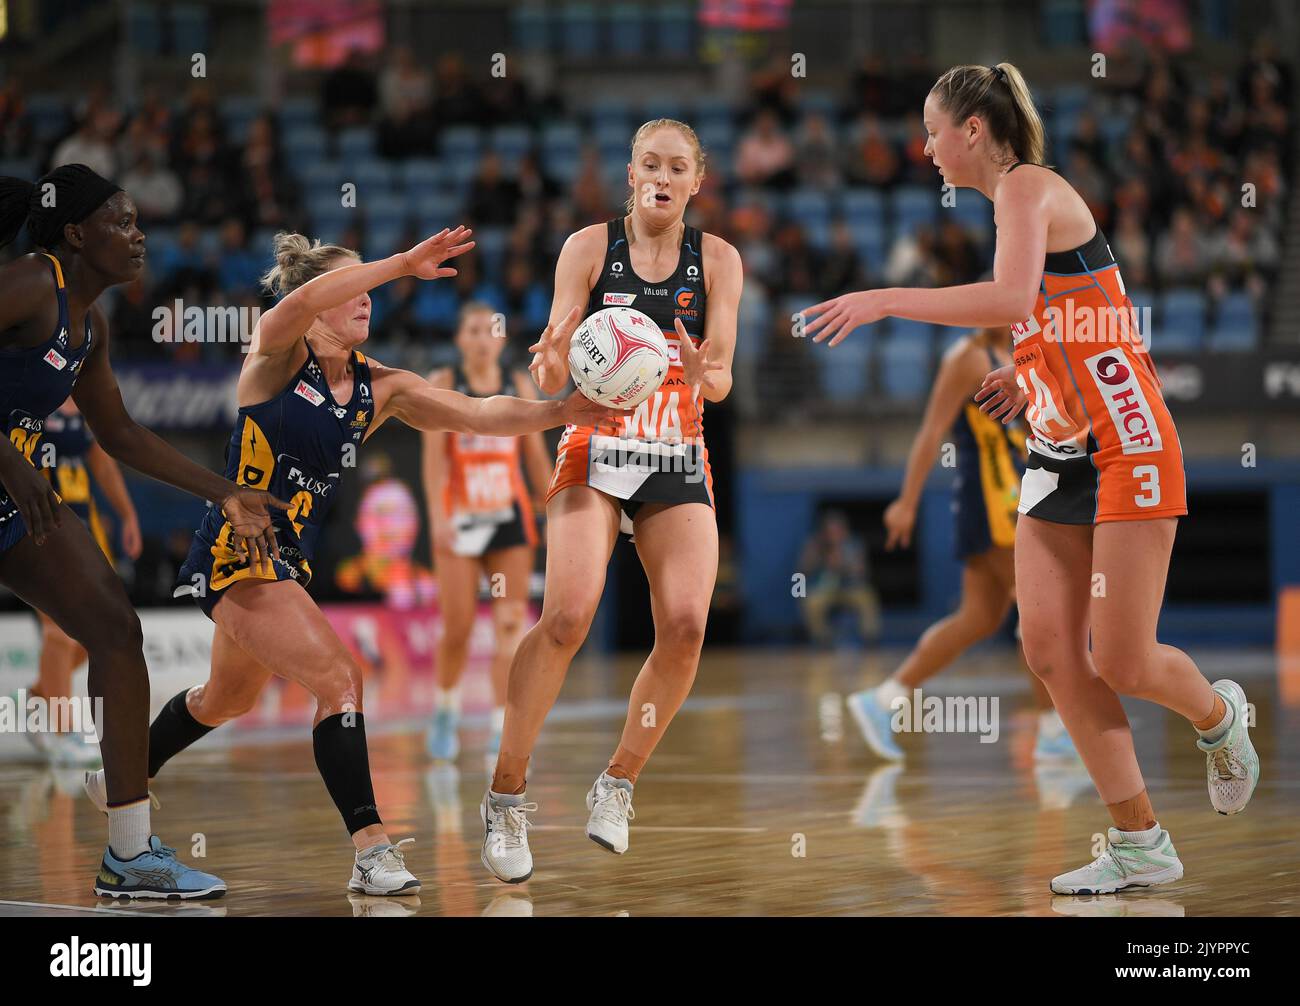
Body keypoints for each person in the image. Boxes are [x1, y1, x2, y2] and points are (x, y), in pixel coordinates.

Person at [803, 63, 1257, 895]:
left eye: (934, 130)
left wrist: (883, 299)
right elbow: (1056, 312)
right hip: (1059, 451)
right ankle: (1140, 841)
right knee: (1047, 649)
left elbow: (1013, 297)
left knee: (1121, 658)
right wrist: (1030, 374)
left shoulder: (1026, 186)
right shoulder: (1010, 207)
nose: (927, 147)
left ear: (972, 130)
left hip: (1129, 442)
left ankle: (1219, 717)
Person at [84, 227, 622, 896]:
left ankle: (119, 773)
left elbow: (478, 414)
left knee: (226, 697)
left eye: (372, 289)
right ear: (322, 299)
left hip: (287, 560)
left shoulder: (379, 388)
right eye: (355, 286)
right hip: (237, 554)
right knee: (341, 678)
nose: (368, 298)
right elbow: (300, 301)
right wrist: (396, 265)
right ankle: (370, 849)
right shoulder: (276, 353)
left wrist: (559, 411)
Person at [0, 164, 284, 899]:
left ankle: (129, 856)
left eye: (137, 223)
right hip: (13, 481)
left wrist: (226, 493)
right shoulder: (30, 282)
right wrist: (12, 462)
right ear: (75, 234)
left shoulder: (87, 326)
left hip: (13, 498)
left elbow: (119, 433)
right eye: (121, 224)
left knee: (117, 632)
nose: (138, 236)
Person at [479, 118, 738, 884]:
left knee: (688, 626)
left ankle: (618, 781)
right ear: (629, 174)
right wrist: (554, 352)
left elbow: (721, 380)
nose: (662, 176)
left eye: (678, 167)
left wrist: (699, 372)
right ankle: (506, 792)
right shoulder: (589, 247)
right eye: (649, 164)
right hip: (596, 438)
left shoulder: (718, 260)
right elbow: (554, 350)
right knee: (565, 617)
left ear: (698, 181)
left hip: (674, 446)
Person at [845, 326, 1077, 763]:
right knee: (1037, 610)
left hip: (1012, 494)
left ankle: (882, 702)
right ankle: (1052, 729)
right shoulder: (966, 359)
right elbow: (931, 431)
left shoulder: (1010, 353)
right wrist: (907, 502)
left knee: (979, 617)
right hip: (988, 502)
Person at [421, 301, 551, 766]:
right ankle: (445, 709)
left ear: (500, 339)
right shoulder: (442, 383)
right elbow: (434, 462)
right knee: (456, 628)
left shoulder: (517, 384)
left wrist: (555, 499)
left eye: (489, 330)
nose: (480, 338)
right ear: (459, 339)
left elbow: (535, 454)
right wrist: (437, 519)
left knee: (510, 625)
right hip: (460, 519)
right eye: (472, 329)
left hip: (508, 518)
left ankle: (501, 724)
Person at [23, 395, 142, 767]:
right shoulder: (29, 384)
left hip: (82, 526)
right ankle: (65, 734)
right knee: (57, 634)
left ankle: (38, 698)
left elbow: (102, 465)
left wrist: (128, 515)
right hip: (37, 522)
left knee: (100, 634)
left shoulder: (84, 390)